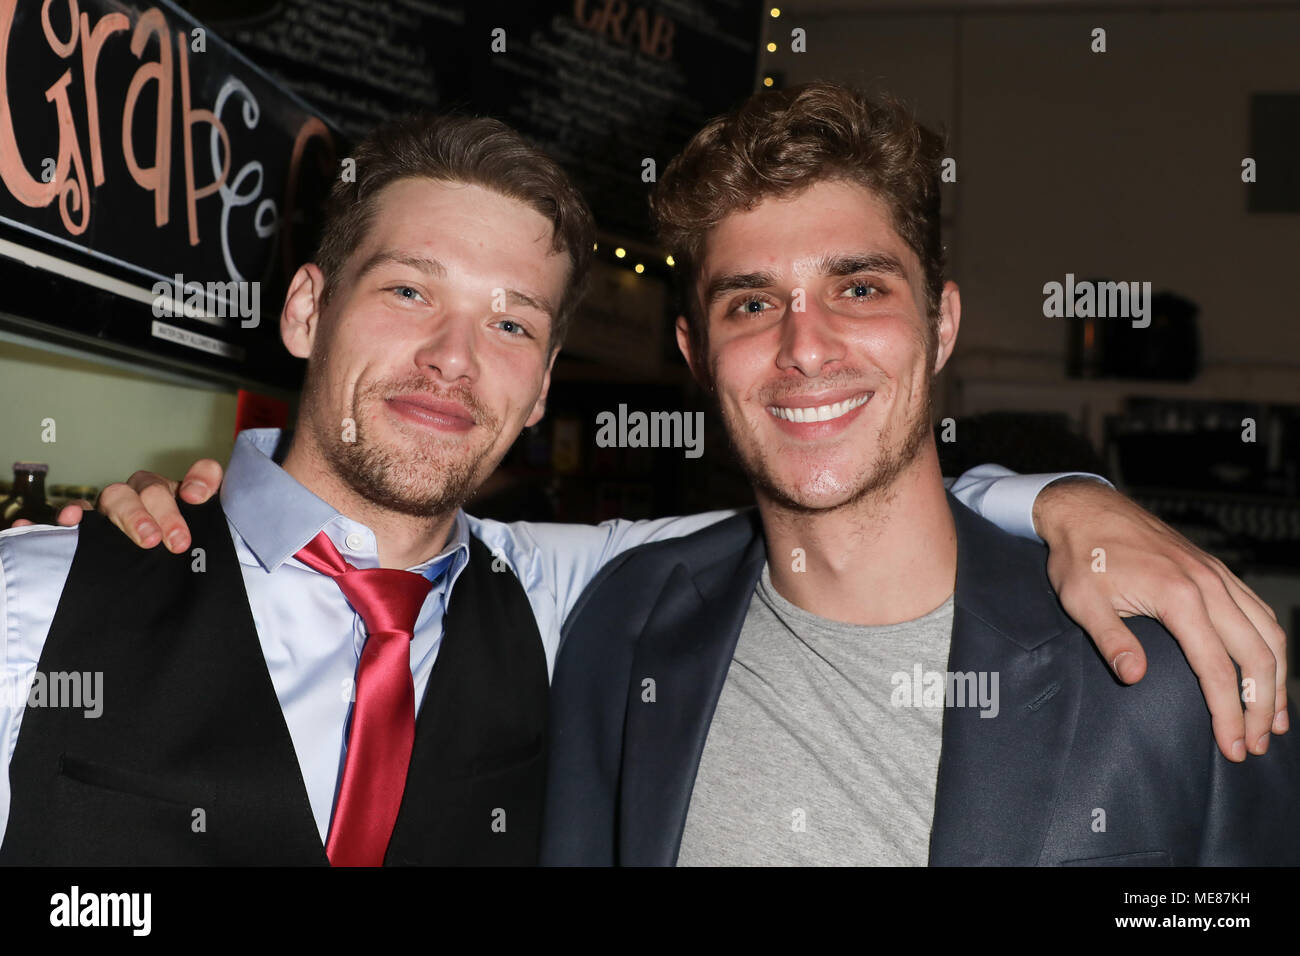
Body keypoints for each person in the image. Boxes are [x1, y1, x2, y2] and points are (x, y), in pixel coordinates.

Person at [30, 105, 1284, 866]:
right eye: (407, 290)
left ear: (544, 384)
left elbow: (834, 488)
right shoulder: (40, 603)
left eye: (513, 324)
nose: (453, 361)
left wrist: (1067, 498)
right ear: (307, 306)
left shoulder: (575, 599)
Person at [540, 83, 1299, 866]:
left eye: (860, 289)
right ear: (698, 353)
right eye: (752, 303)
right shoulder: (623, 627)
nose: (806, 346)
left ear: (941, 328)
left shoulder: (1170, 668)